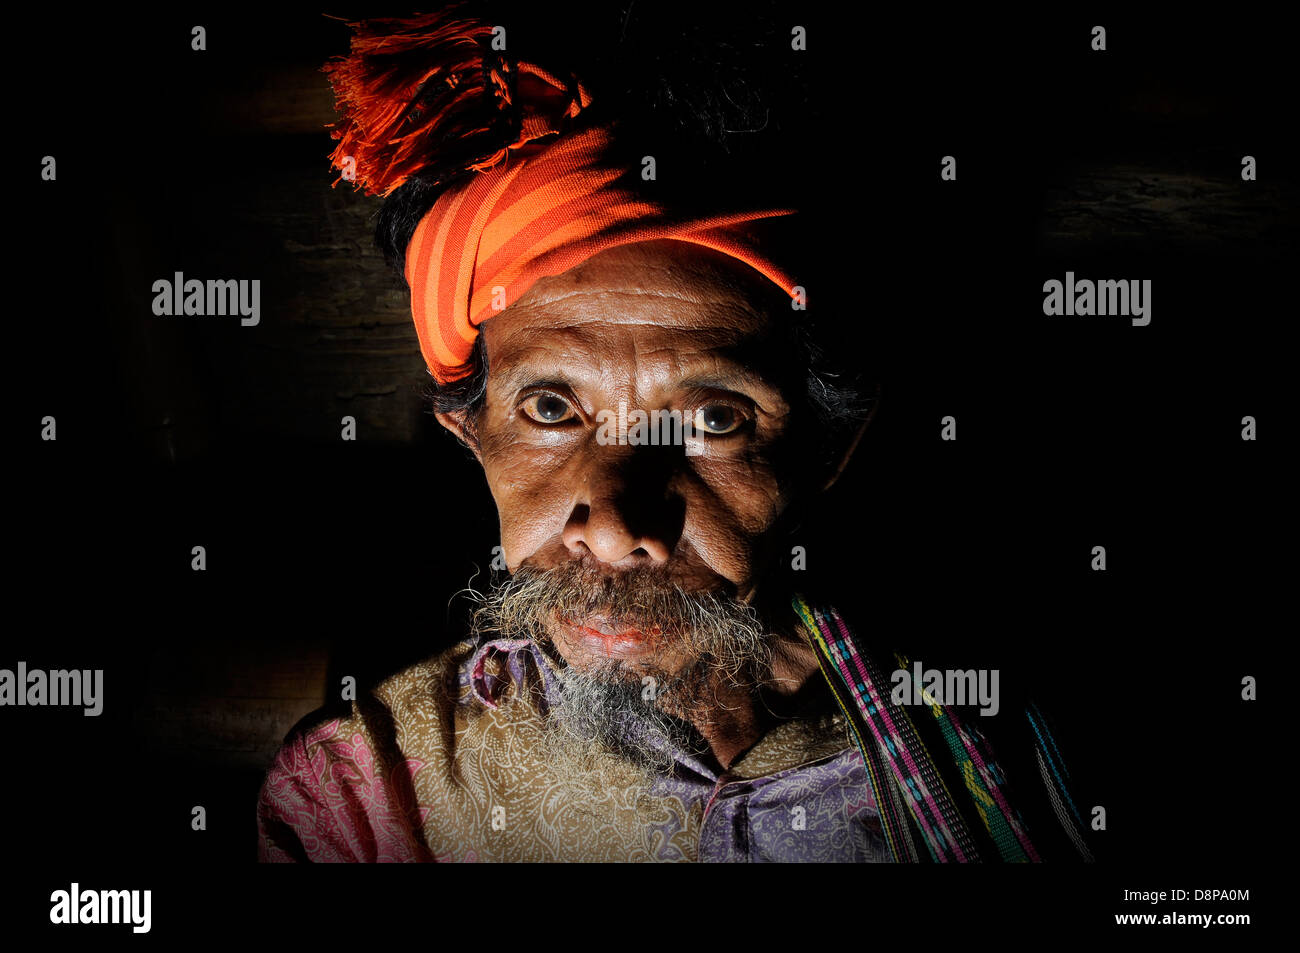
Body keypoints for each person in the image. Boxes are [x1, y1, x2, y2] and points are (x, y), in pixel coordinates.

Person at [257, 5, 1096, 863]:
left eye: (713, 419)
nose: (618, 525)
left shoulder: (1017, 739)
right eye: (550, 409)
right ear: (472, 436)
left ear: (827, 450)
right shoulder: (365, 798)